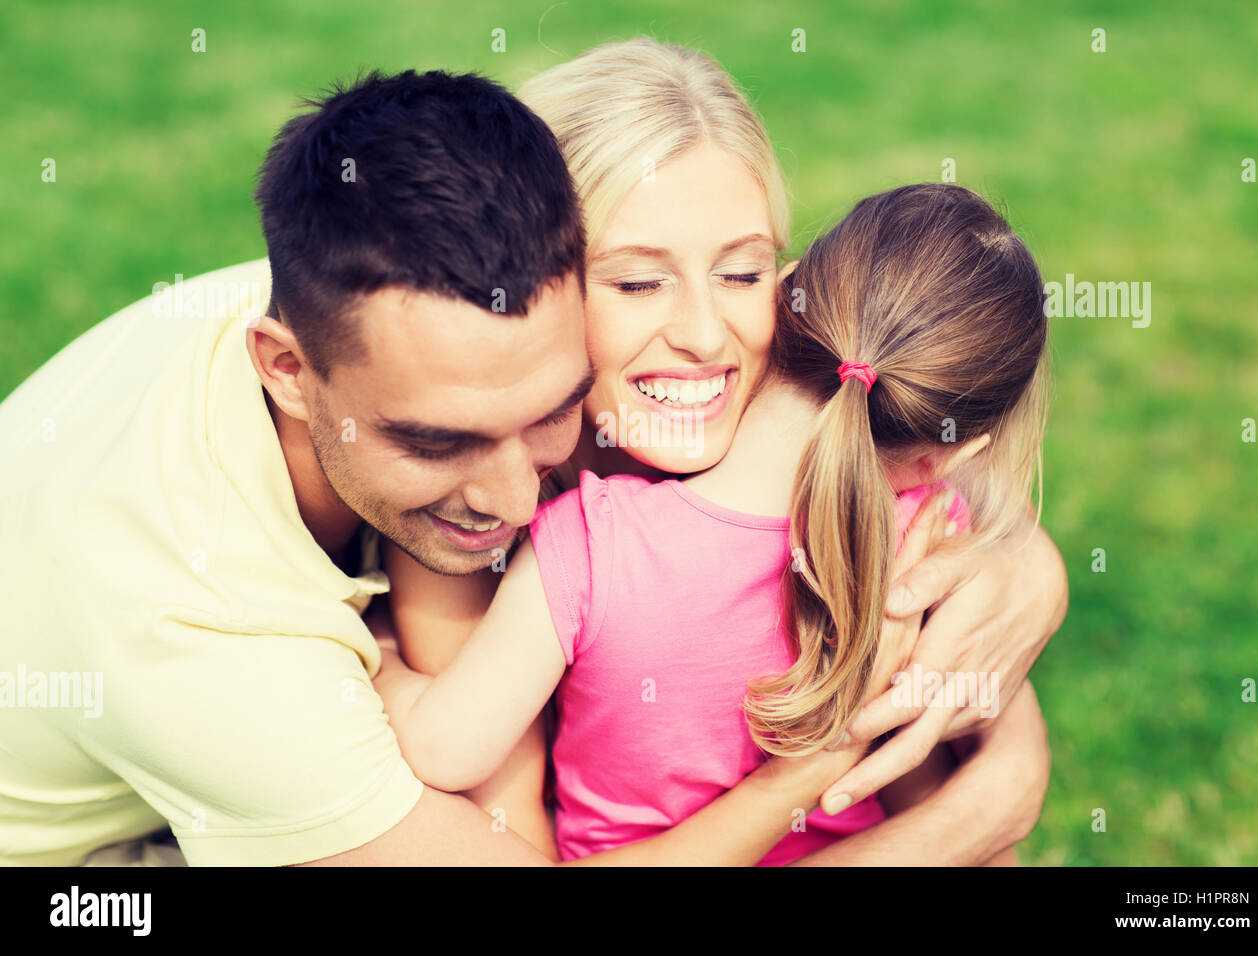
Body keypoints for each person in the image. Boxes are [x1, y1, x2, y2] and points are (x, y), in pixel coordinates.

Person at [0, 66, 1051, 867]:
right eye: (437, 440)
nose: (512, 503)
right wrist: (955, 801)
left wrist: (1027, 575)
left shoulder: (414, 274)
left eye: (741, 270)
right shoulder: (203, 637)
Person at [379, 39, 1066, 864]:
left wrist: (1035, 579)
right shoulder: (473, 517)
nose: (705, 337)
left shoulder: (602, 541)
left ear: (797, 282)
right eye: (637, 283)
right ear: (522, 289)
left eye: (742, 274)